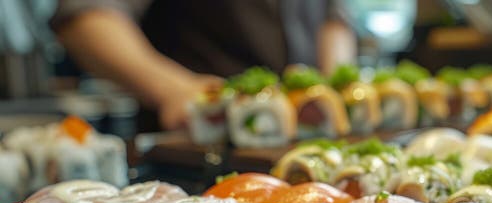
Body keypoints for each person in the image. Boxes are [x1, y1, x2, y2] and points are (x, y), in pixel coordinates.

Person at [50, 0, 357, 130]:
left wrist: (331, 91)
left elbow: (334, 18)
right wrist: (175, 89)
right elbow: (86, 16)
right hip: (196, 151)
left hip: (301, 144)